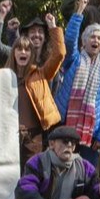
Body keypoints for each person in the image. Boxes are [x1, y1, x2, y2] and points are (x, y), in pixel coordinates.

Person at [54, 0, 100, 160]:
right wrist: (78, 13)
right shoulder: (74, 60)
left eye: (99, 38)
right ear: (84, 41)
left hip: (91, 134)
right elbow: (69, 42)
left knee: (86, 178)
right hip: (64, 127)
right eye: (92, 37)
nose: (95, 40)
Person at [4, 15, 66, 162]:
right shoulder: (3, 76)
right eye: (19, 49)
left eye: (27, 50)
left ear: (32, 54)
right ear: (13, 53)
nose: (23, 52)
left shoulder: (41, 74)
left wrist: (52, 26)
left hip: (33, 138)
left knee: (31, 179)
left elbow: (60, 54)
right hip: (8, 135)